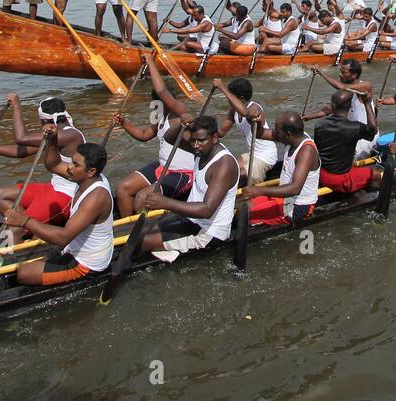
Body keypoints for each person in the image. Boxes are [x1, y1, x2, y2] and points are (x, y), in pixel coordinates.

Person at [7, 138, 115, 285]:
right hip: (73, 247)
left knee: (23, 273)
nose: (69, 167)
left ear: (91, 171)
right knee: (35, 257)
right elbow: (53, 164)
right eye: (71, 161)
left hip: (87, 265)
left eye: (75, 164)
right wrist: (52, 140)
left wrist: (24, 221)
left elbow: (63, 238)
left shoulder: (96, 197)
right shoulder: (85, 177)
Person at [0, 93, 86, 235]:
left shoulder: (69, 135)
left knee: (15, 228)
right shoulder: (56, 135)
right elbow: (21, 152)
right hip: (53, 188)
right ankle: (30, 229)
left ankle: (18, 235)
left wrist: (16, 105)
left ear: (45, 121)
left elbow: (21, 138)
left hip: (67, 196)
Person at [133, 116, 239, 259]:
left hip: (208, 232)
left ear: (214, 138)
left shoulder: (223, 165)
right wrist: (181, 126)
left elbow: (207, 210)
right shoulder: (202, 149)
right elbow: (170, 138)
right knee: (141, 232)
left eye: (201, 140)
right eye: (193, 140)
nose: (195, 145)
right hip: (191, 219)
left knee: (142, 242)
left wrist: (163, 202)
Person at [112, 53, 198, 215]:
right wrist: (124, 122)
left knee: (143, 198)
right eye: (155, 103)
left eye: (160, 101)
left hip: (183, 172)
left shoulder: (179, 112)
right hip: (163, 166)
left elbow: (161, 90)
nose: (156, 106)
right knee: (123, 188)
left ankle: (144, 236)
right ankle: (126, 230)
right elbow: (144, 135)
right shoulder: (159, 113)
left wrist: (151, 62)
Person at [246, 112, 321, 227]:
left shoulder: (306, 152)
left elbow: (295, 188)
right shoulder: (291, 137)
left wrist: (259, 190)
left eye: (277, 130)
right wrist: (256, 122)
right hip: (284, 197)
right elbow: (259, 134)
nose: (274, 132)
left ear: (288, 134)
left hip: (297, 206)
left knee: (247, 215)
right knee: (244, 205)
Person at [214, 78, 279, 185]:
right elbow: (220, 132)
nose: (228, 100)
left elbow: (246, 112)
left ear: (241, 98)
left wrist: (222, 87)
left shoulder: (255, 107)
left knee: (237, 174)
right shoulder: (234, 111)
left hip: (266, 157)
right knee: (225, 169)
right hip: (251, 154)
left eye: (231, 97)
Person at [314, 91, 379, 194]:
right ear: (350, 107)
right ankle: (367, 202)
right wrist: (367, 103)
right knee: (376, 175)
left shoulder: (320, 124)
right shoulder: (355, 127)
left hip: (321, 173)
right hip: (338, 178)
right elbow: (373, 130)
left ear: (333, 106)